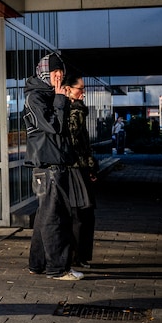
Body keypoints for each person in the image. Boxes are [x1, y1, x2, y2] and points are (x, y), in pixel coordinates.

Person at [25, 53, 85, 281]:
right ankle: (58, 269)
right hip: (48, 164)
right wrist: (60, 100)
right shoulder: (36, 97)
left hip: (52, 163)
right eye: (55, 73)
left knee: (45, 217)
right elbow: (55, 127)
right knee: (55, 218)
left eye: (61, 73)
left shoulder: (47, 94)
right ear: (43, 72)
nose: (59, 77)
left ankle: (37, 264)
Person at [63, 74, 97, 269]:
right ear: (68, 89)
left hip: (82, 167)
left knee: (87, 214)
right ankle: (75, 257)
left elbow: (84, 143)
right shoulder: (69, 109)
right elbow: (73, 139)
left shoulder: (78, 109)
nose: (83, 94)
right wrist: (76, 108)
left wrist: (91, 166)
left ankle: (82, 256)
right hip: (72, 169)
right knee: (78, 214)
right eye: (80, 89)